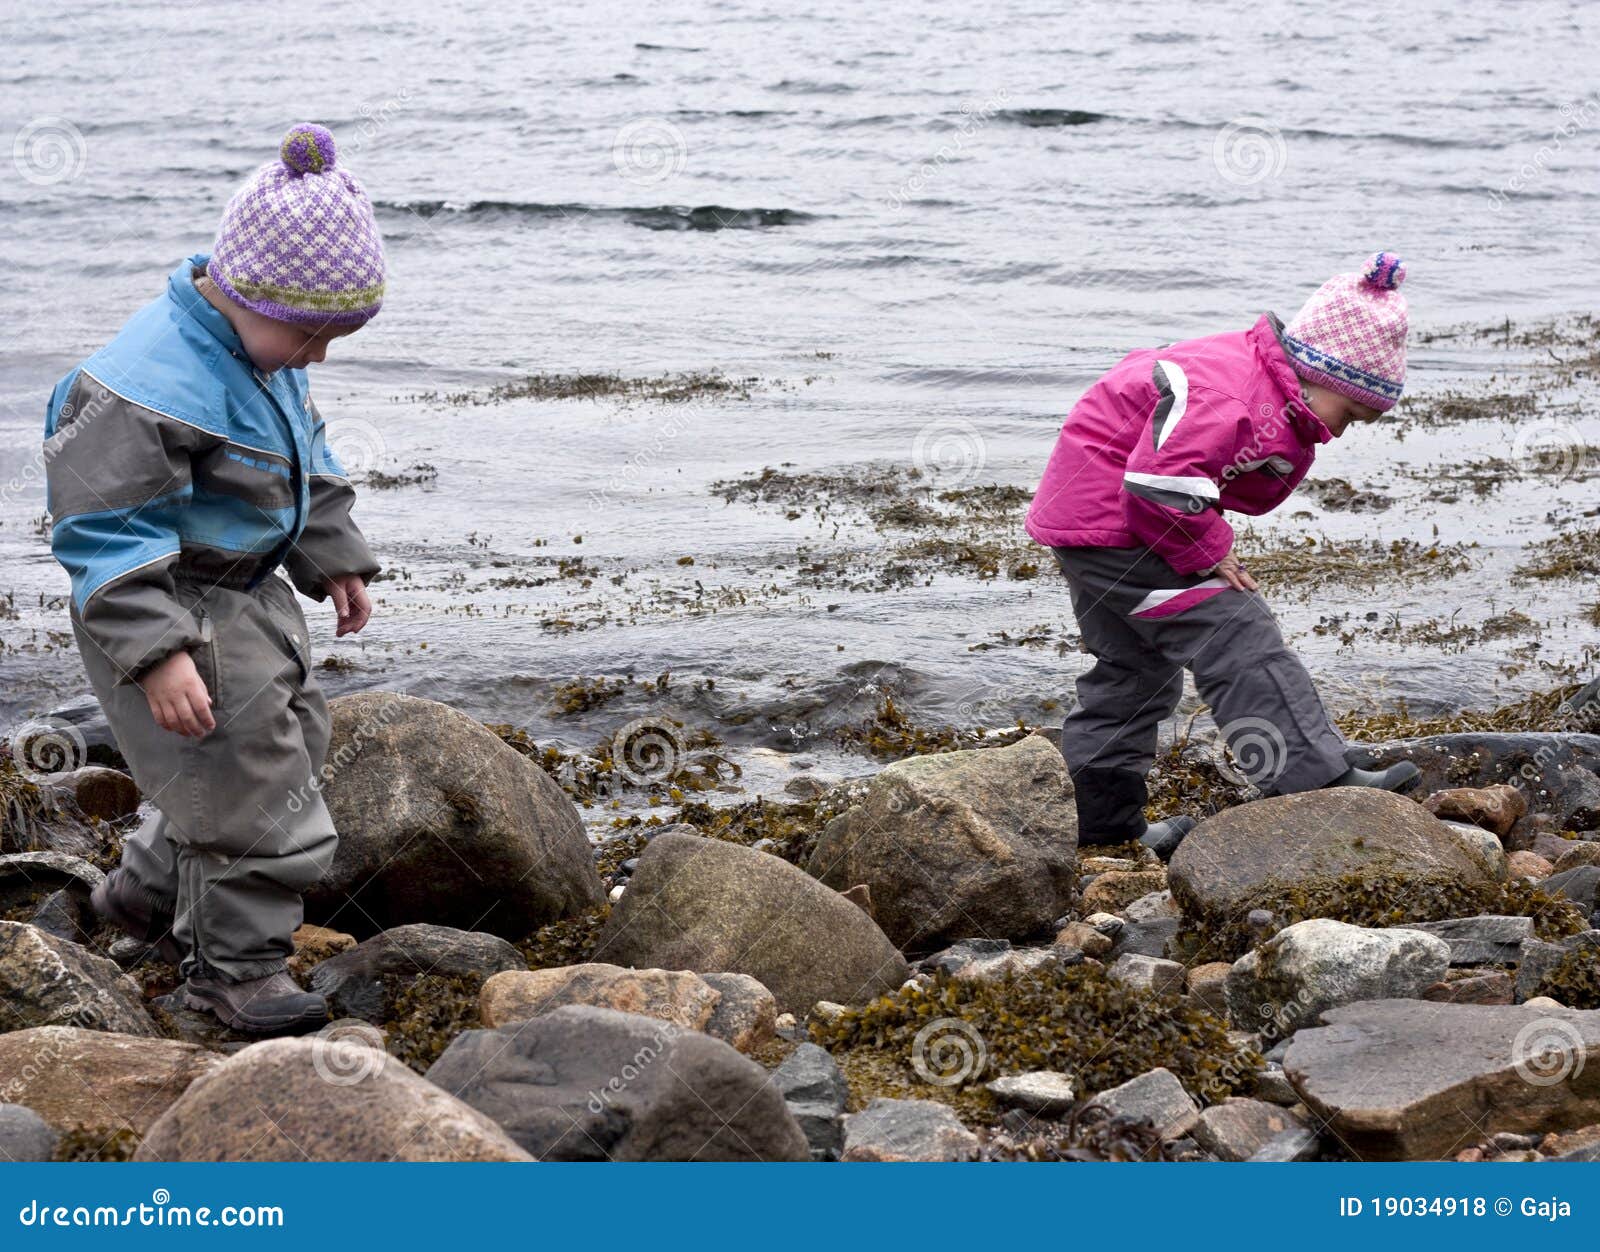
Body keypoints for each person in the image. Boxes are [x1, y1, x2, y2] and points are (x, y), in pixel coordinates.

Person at [43, 123, 384, 1033]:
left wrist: (333, 552)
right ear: (240, 291)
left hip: (248, 590)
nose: (317, 357)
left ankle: (145, 898)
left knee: (286, 745)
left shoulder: (255, 349)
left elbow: (298, 459)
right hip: (165, 601)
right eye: (309, 335)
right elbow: (102, 530)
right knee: (252, 786)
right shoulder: (142, 385)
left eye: (333, 338)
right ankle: (233, 972)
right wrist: (155, 654)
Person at [1025, 252, 1420, 860]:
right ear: (1322, 375)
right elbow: (1159, 487)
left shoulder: (1261, 381)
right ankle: (1317, 780)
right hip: (1123, 524)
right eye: (1351, 415)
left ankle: (1102, 821)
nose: (1342, 432)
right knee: (1236, 629)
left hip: (1090, 525)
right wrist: (1211, 549)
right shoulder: (1230, 392)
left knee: (1132, 669)